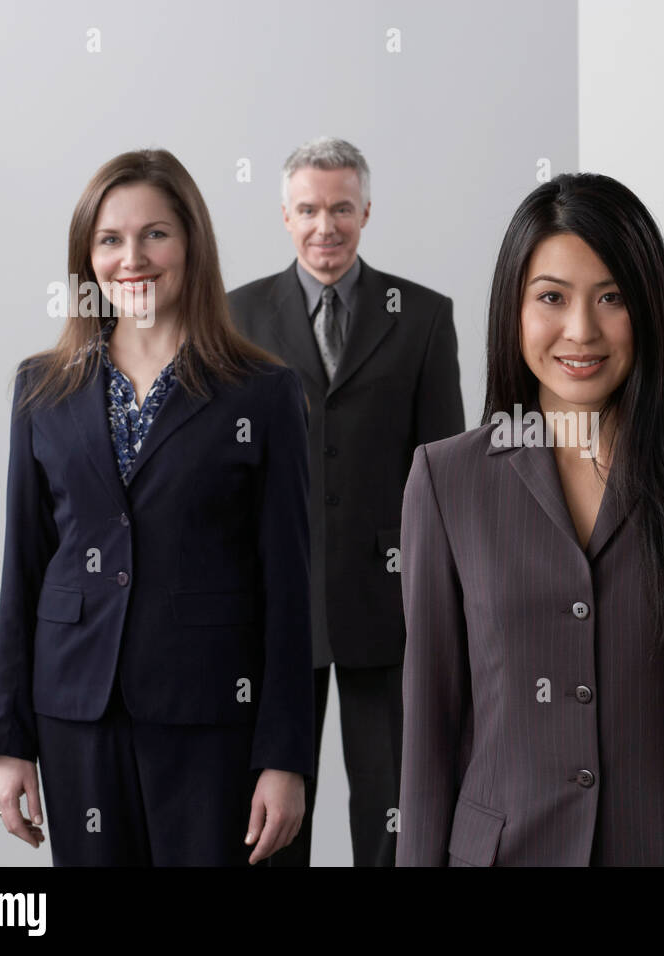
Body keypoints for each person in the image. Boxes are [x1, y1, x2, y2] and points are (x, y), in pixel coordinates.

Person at [396, 173, 664, 866]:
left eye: (611, 297)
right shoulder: (446, 478)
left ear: (650, 307)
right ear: (514, 311)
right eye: (551, 297)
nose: (581, 330)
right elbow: (430, 729)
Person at [0, 148, 316, 866]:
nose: (132, 257)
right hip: (76, 713)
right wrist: (9, 739)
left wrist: (288, 757)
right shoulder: (41, 388)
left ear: (192, 242)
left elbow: (291, 590)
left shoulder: (263, 391)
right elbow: (24, 568)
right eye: (110, 239)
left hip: (212, 719)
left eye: (155, 234)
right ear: (87, 256)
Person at [228, 137, 463, 867]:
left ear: (366, 211)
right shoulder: (235, 316)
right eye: (307, 210)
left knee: (394, 812)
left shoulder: (422, 316)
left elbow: (442, 470)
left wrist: (440, 597)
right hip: (273, 608)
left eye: (339, 209)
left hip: (387, 605)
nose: (324, 226)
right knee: (270, 819)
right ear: (284, 215)